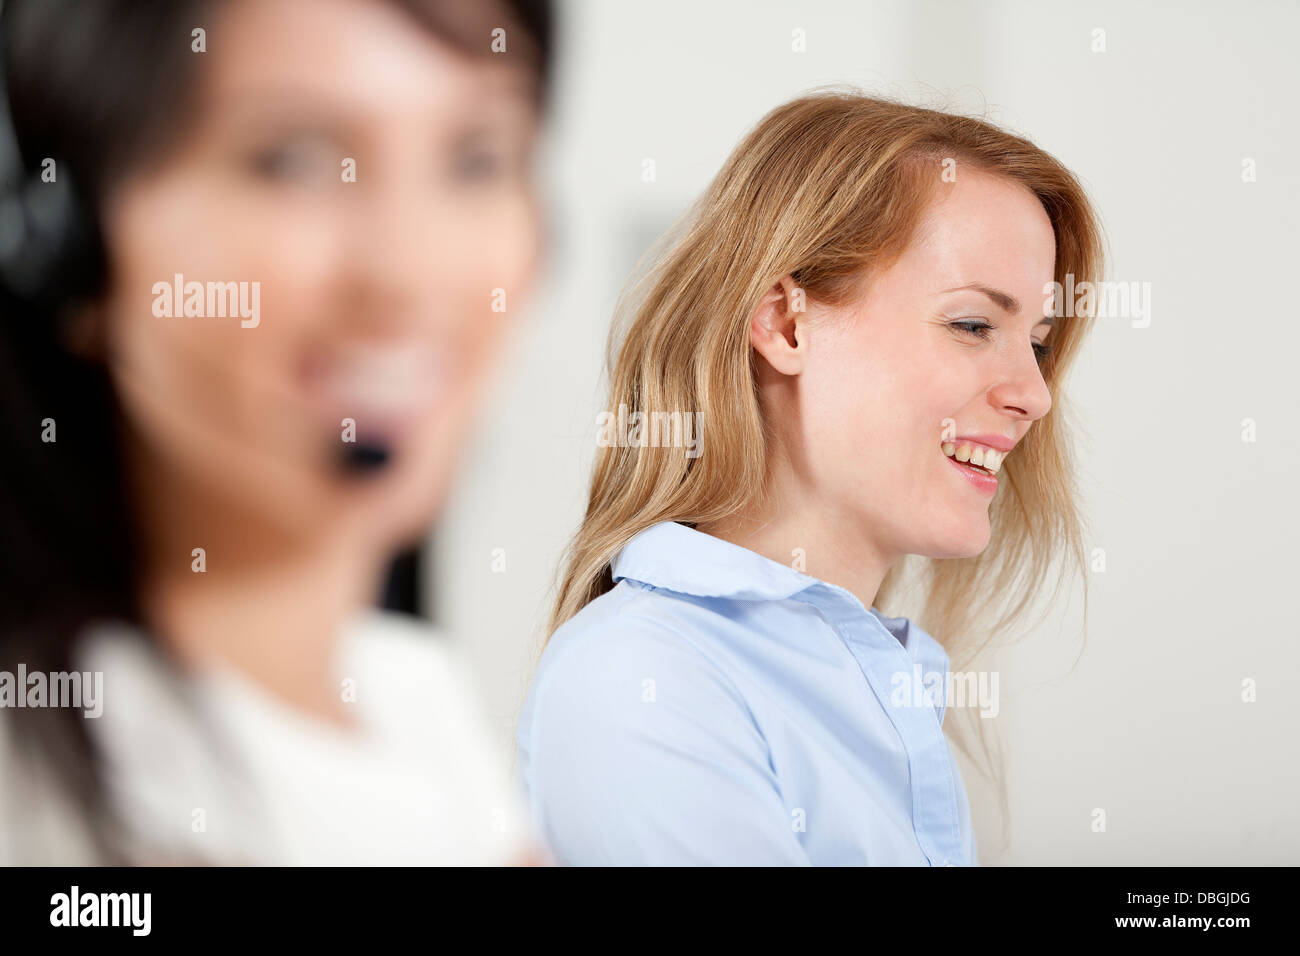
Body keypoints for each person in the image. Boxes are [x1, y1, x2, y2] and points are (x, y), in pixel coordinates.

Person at [0, 0, 553, 865]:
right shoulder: (42, 801)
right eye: (294, 161)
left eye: (476, 158)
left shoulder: (411, 692)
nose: (406, 274)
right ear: (65, 243)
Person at [516, 91, 1104, 865]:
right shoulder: (643, 680)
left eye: (1036, 342)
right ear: (787, 324)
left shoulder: (882, 688)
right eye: (972, 325)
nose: (1034, 394)